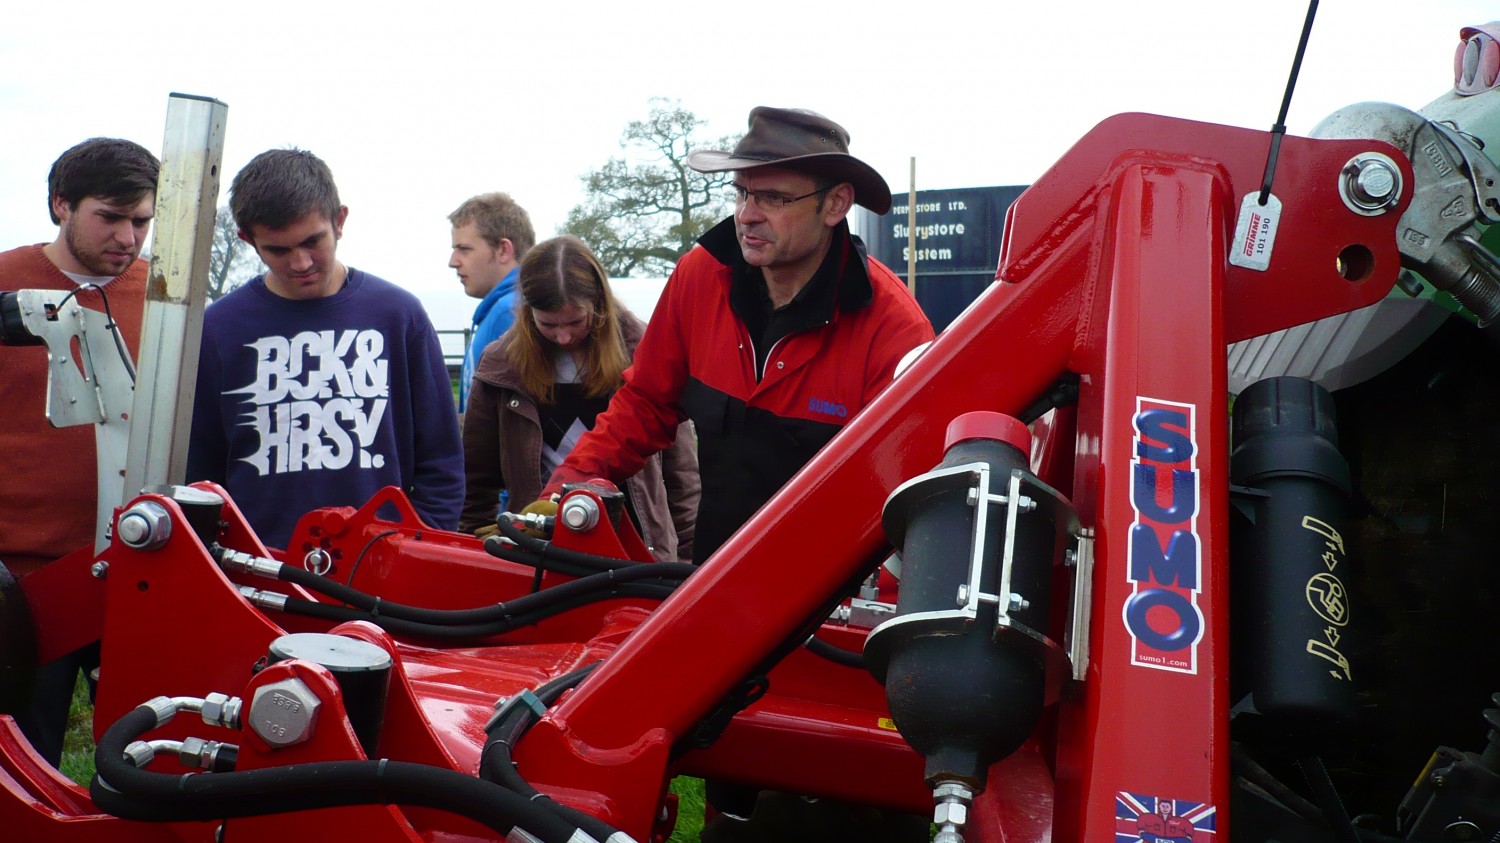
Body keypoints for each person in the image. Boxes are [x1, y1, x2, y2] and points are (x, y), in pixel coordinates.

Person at [535, 107, 934, 840]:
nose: (748, 215)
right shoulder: (699, 277)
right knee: (728, 784)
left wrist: (888, 633)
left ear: (836, 204)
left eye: (772, 198)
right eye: (743, 194)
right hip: (716, 590)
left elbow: (911, 498)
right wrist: (561, 497)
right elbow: (646, 404)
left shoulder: (893, 327)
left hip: (832, 617)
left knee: (836, 793)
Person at [187, 148, 463, 551]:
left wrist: (420, 546)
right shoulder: (218, 328)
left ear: (340, 220)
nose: (300, 263)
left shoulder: (398, 315)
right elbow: (199, 468)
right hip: (259, 570)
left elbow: (442, 459)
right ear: (248, 240)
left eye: (312, 241)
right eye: (278, 250)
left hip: (385, 565)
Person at [0, 137, 160, 767]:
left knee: (146, 751)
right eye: (110, 216)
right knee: (21, 755)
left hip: (139, 562)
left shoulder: (169, 298)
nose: (128, 236)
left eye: (141, 220)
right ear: (61, 204)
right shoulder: (7, 284)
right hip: (21, 574)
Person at [460, 235, 698, 563]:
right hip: (539, 555)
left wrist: (687, 564)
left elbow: (681, 476)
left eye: (576, 321)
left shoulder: (645, 352)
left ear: (598, 303)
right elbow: (476, 480)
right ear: (528, 311)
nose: (564, 336)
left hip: (638, 556)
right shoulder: (500, 367)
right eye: (548, 324)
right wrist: (477, 558)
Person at [449, 192, 535, 413]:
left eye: (464, 249)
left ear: (503, 250)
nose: (453, 262)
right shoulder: (500, 308)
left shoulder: (510, 312)